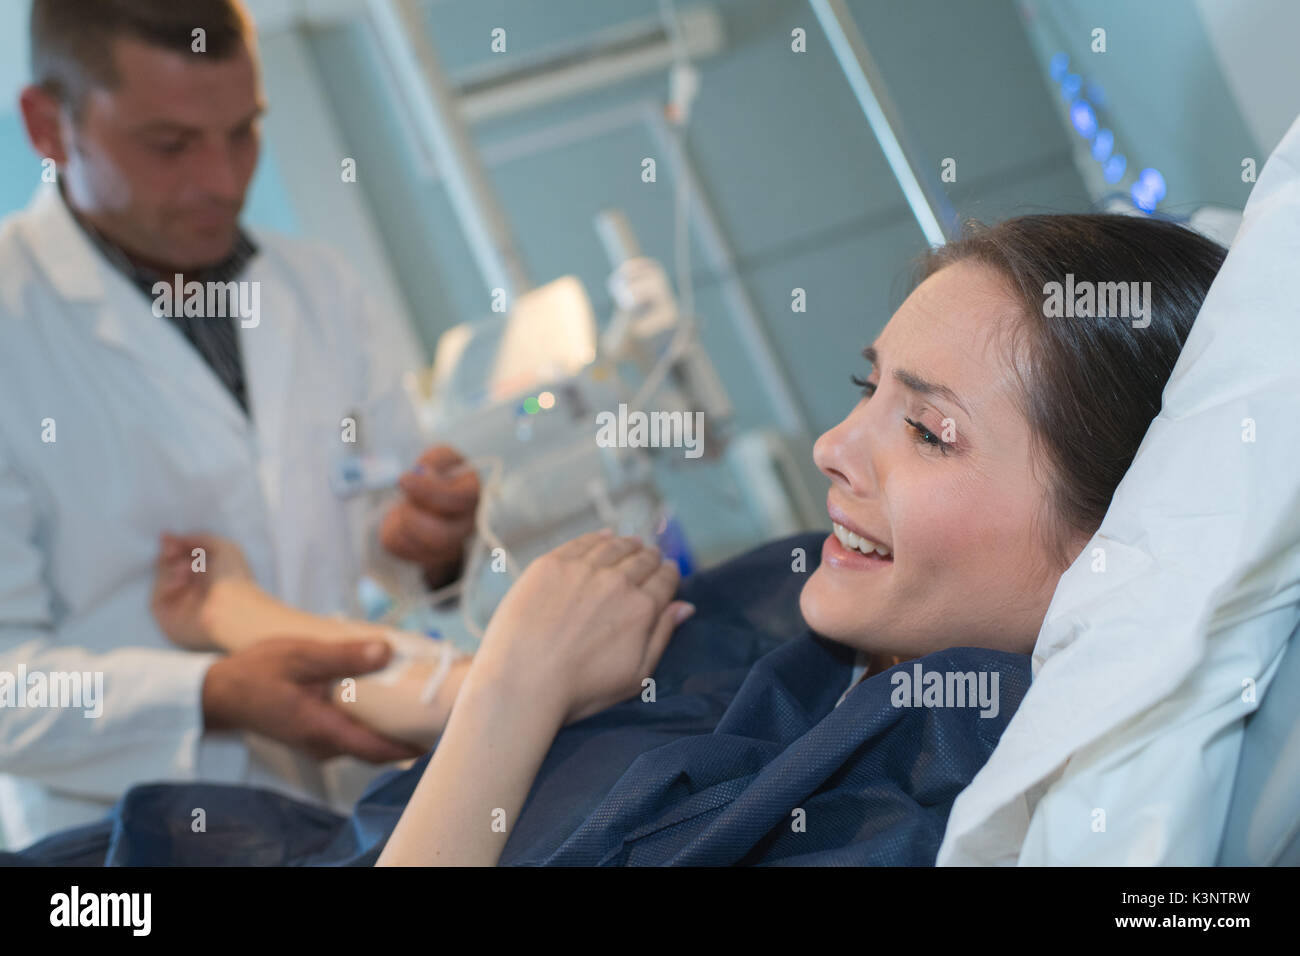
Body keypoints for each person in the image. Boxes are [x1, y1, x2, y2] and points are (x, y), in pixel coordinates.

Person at [27, 213, 1224, 866]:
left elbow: (502, 707)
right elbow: (471, 702)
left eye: (926, 428)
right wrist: (255, 625)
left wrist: (514, 686)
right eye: (867, 387)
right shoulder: (812, 593)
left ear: (1104, 530)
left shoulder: (921, 804)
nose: (831, 446)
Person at [0, 0, 479, 848]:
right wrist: (210, 695)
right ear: (47, 125)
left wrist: (426, 542)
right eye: (171, 145)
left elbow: (380, 521)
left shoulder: (318, 286)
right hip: (126, 842)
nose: (223, 181)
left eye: (244, 132)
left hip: (350, 809)